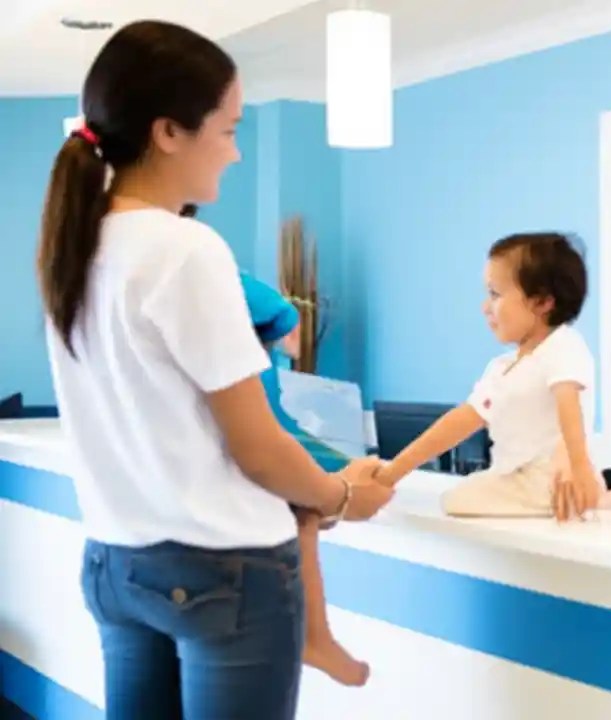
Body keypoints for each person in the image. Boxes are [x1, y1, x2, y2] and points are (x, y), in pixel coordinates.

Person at [36, 21, 393, 720]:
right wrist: (339, 495)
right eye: (228, 130)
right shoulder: (184, 248)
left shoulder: (74, 244)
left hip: (117, 564)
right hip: (224, 573)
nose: (234, 153)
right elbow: (257, 448)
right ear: (169, 132)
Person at [373, 232, 611, 519]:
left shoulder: (563, 345)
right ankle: (599, 490)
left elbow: (570, 403)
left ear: (542, 302)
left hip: (548, 477)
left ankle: (596, 495)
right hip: (514, 474)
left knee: (458, 501)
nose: (485, 307)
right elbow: (461, 421)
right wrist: (392, 472)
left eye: (495, 294)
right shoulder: (502, 369)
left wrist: (578, 465)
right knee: (457, 496)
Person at [239, 271, 371, 687]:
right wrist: (339, 488)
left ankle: (316, 635)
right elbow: (276, 443)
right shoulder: (252, 374)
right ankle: (316, 635)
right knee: (305, 510)